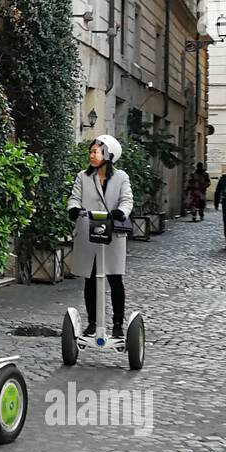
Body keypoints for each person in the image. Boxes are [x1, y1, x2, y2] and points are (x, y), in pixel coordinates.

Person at [66, 134, 134, 338]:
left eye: (96, 151)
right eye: (91, 151)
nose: (92, 155)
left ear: (109, 155)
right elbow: (74, 197)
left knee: (115, 279)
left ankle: (117, 324)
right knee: (91, 279)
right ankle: (93, 322)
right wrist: (74, 209)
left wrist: (121, 212)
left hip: (112, 233)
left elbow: (127, 199)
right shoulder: (83, 176)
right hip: (89, 232)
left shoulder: (121, 177)